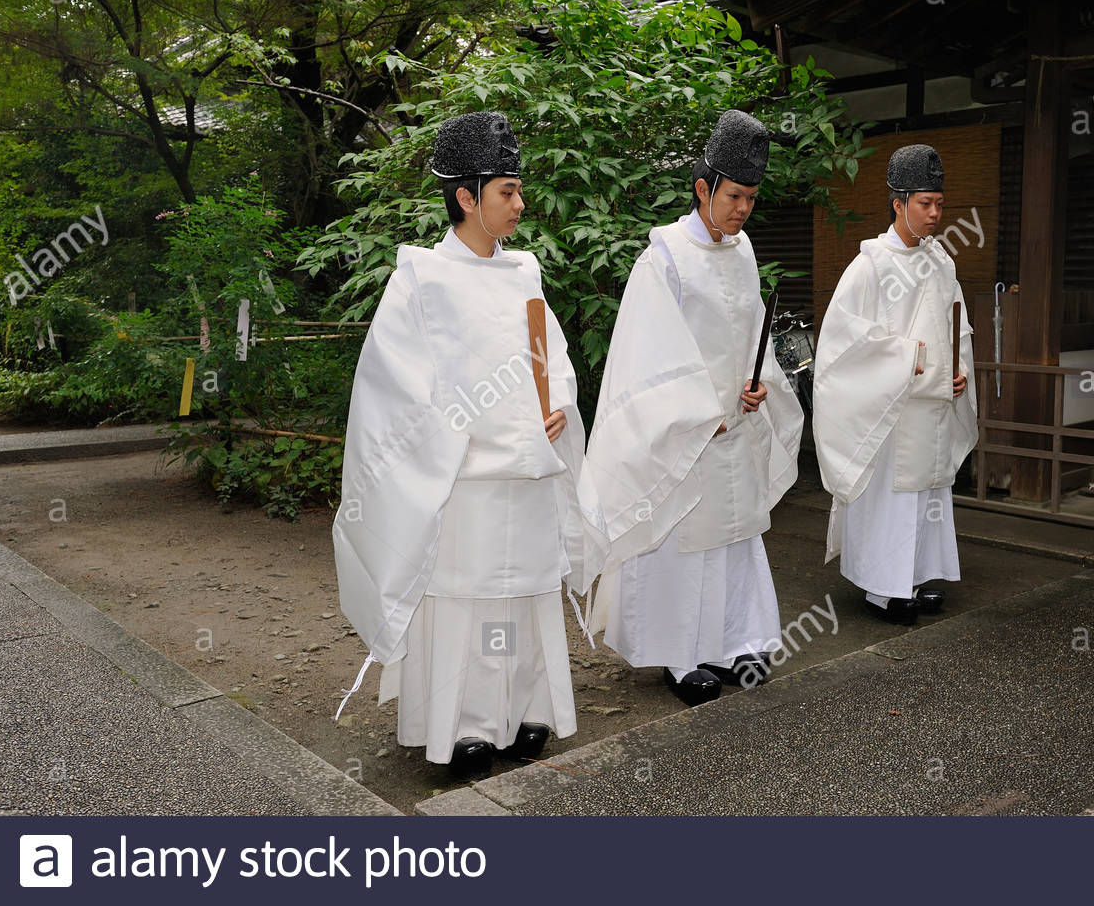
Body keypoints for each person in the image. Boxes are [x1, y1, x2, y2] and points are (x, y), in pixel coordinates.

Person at [332, 111, 590, 780]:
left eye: (518, 190)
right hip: (466, 481)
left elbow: (550, 354)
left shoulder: (525, 272)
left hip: (528, 474)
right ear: (466, 196)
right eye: (507, 191)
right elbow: (395, 389)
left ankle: (522, 709)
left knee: (522, 599)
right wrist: (461, 428)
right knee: (473, 608)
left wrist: (557, 403)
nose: (519, 204)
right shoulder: (421, 280)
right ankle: (467, 723)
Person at [579, 110, 803, 707]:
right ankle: (682, 655)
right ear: (703, 188)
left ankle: (739, 640)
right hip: (689, 429)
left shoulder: (744, 250)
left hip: (737, 421)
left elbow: (753, 327)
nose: (742, 210)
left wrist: (761, 385)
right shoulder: (666, 257)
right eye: (734, 196)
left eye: (751, 199)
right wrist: (698, 412)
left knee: (736, 531)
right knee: (686, 531)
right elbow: (648, 352)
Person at [811, 144, 978, 626]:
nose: (934, 213)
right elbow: (845, 344)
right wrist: (910, 362)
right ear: (898, 203)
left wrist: (957, 368)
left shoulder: (943, 262)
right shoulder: (871, 266)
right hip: (889, 409)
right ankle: (882, 588)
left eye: (940, 204)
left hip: (931, 408)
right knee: (890, 500)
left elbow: (958, 326)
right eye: (925, 203)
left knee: (927, 496)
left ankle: (916, 576)